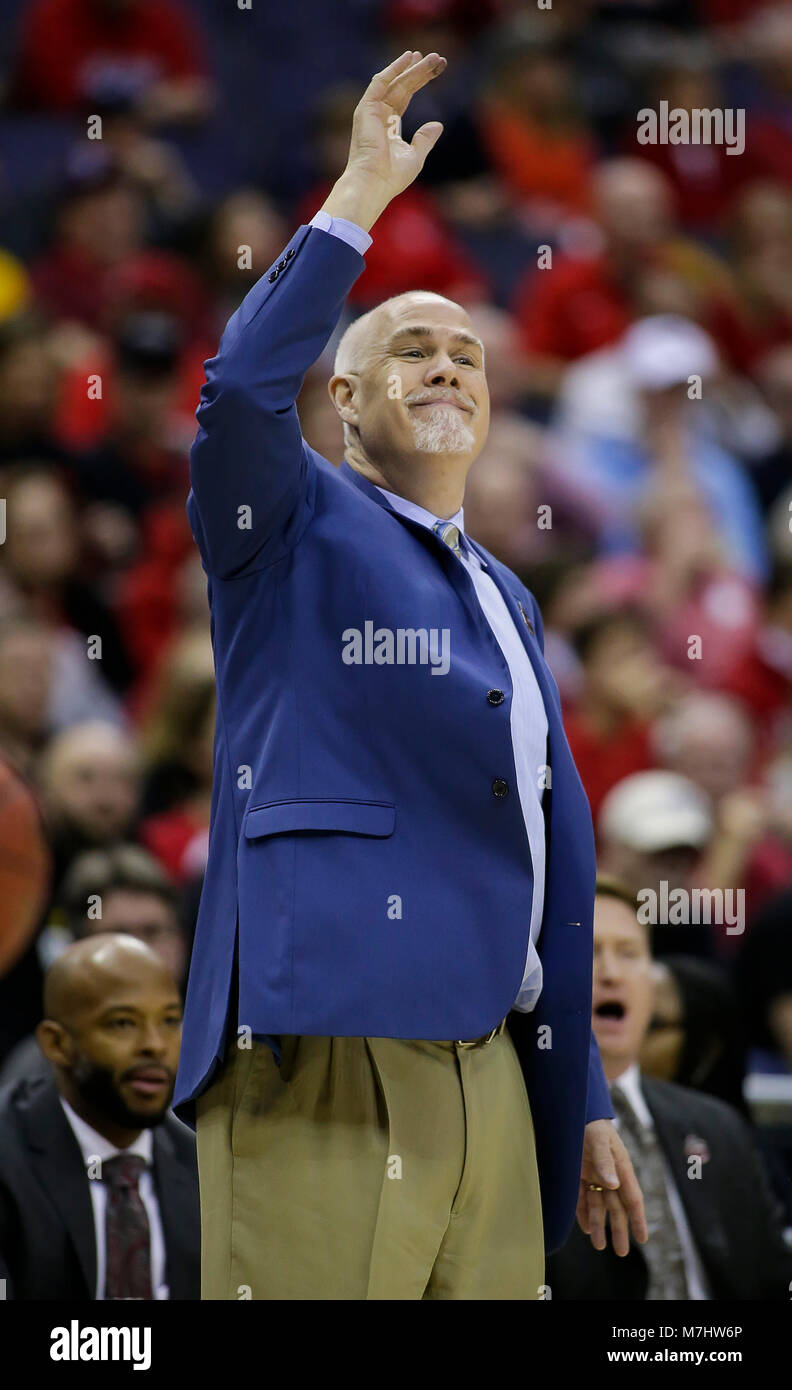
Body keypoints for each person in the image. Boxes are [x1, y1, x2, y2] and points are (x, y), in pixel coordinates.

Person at [173, 49, 646, 1302]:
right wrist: (356, 207)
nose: (448, 367)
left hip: (493, 1069)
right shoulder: (288, 522)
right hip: (329, 1040)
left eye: (470, 357)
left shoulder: (507, 593)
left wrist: (578, 1092)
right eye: (412, 351)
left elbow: (547, 849)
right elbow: (233, 399)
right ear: (341, 398)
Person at [546, 877, 792, 1300]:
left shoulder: (717, 1126)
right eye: (588, 952)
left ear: (654, 984)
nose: (610, 973)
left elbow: (772, 1279)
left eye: (629, 954)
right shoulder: (516, 1126)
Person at [0, 934, 199, 1300]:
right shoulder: (8, 1156)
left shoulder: (201, 1164)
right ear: (56, 1044)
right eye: (123, 1023)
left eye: (170, 1020)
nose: (155, 1044)